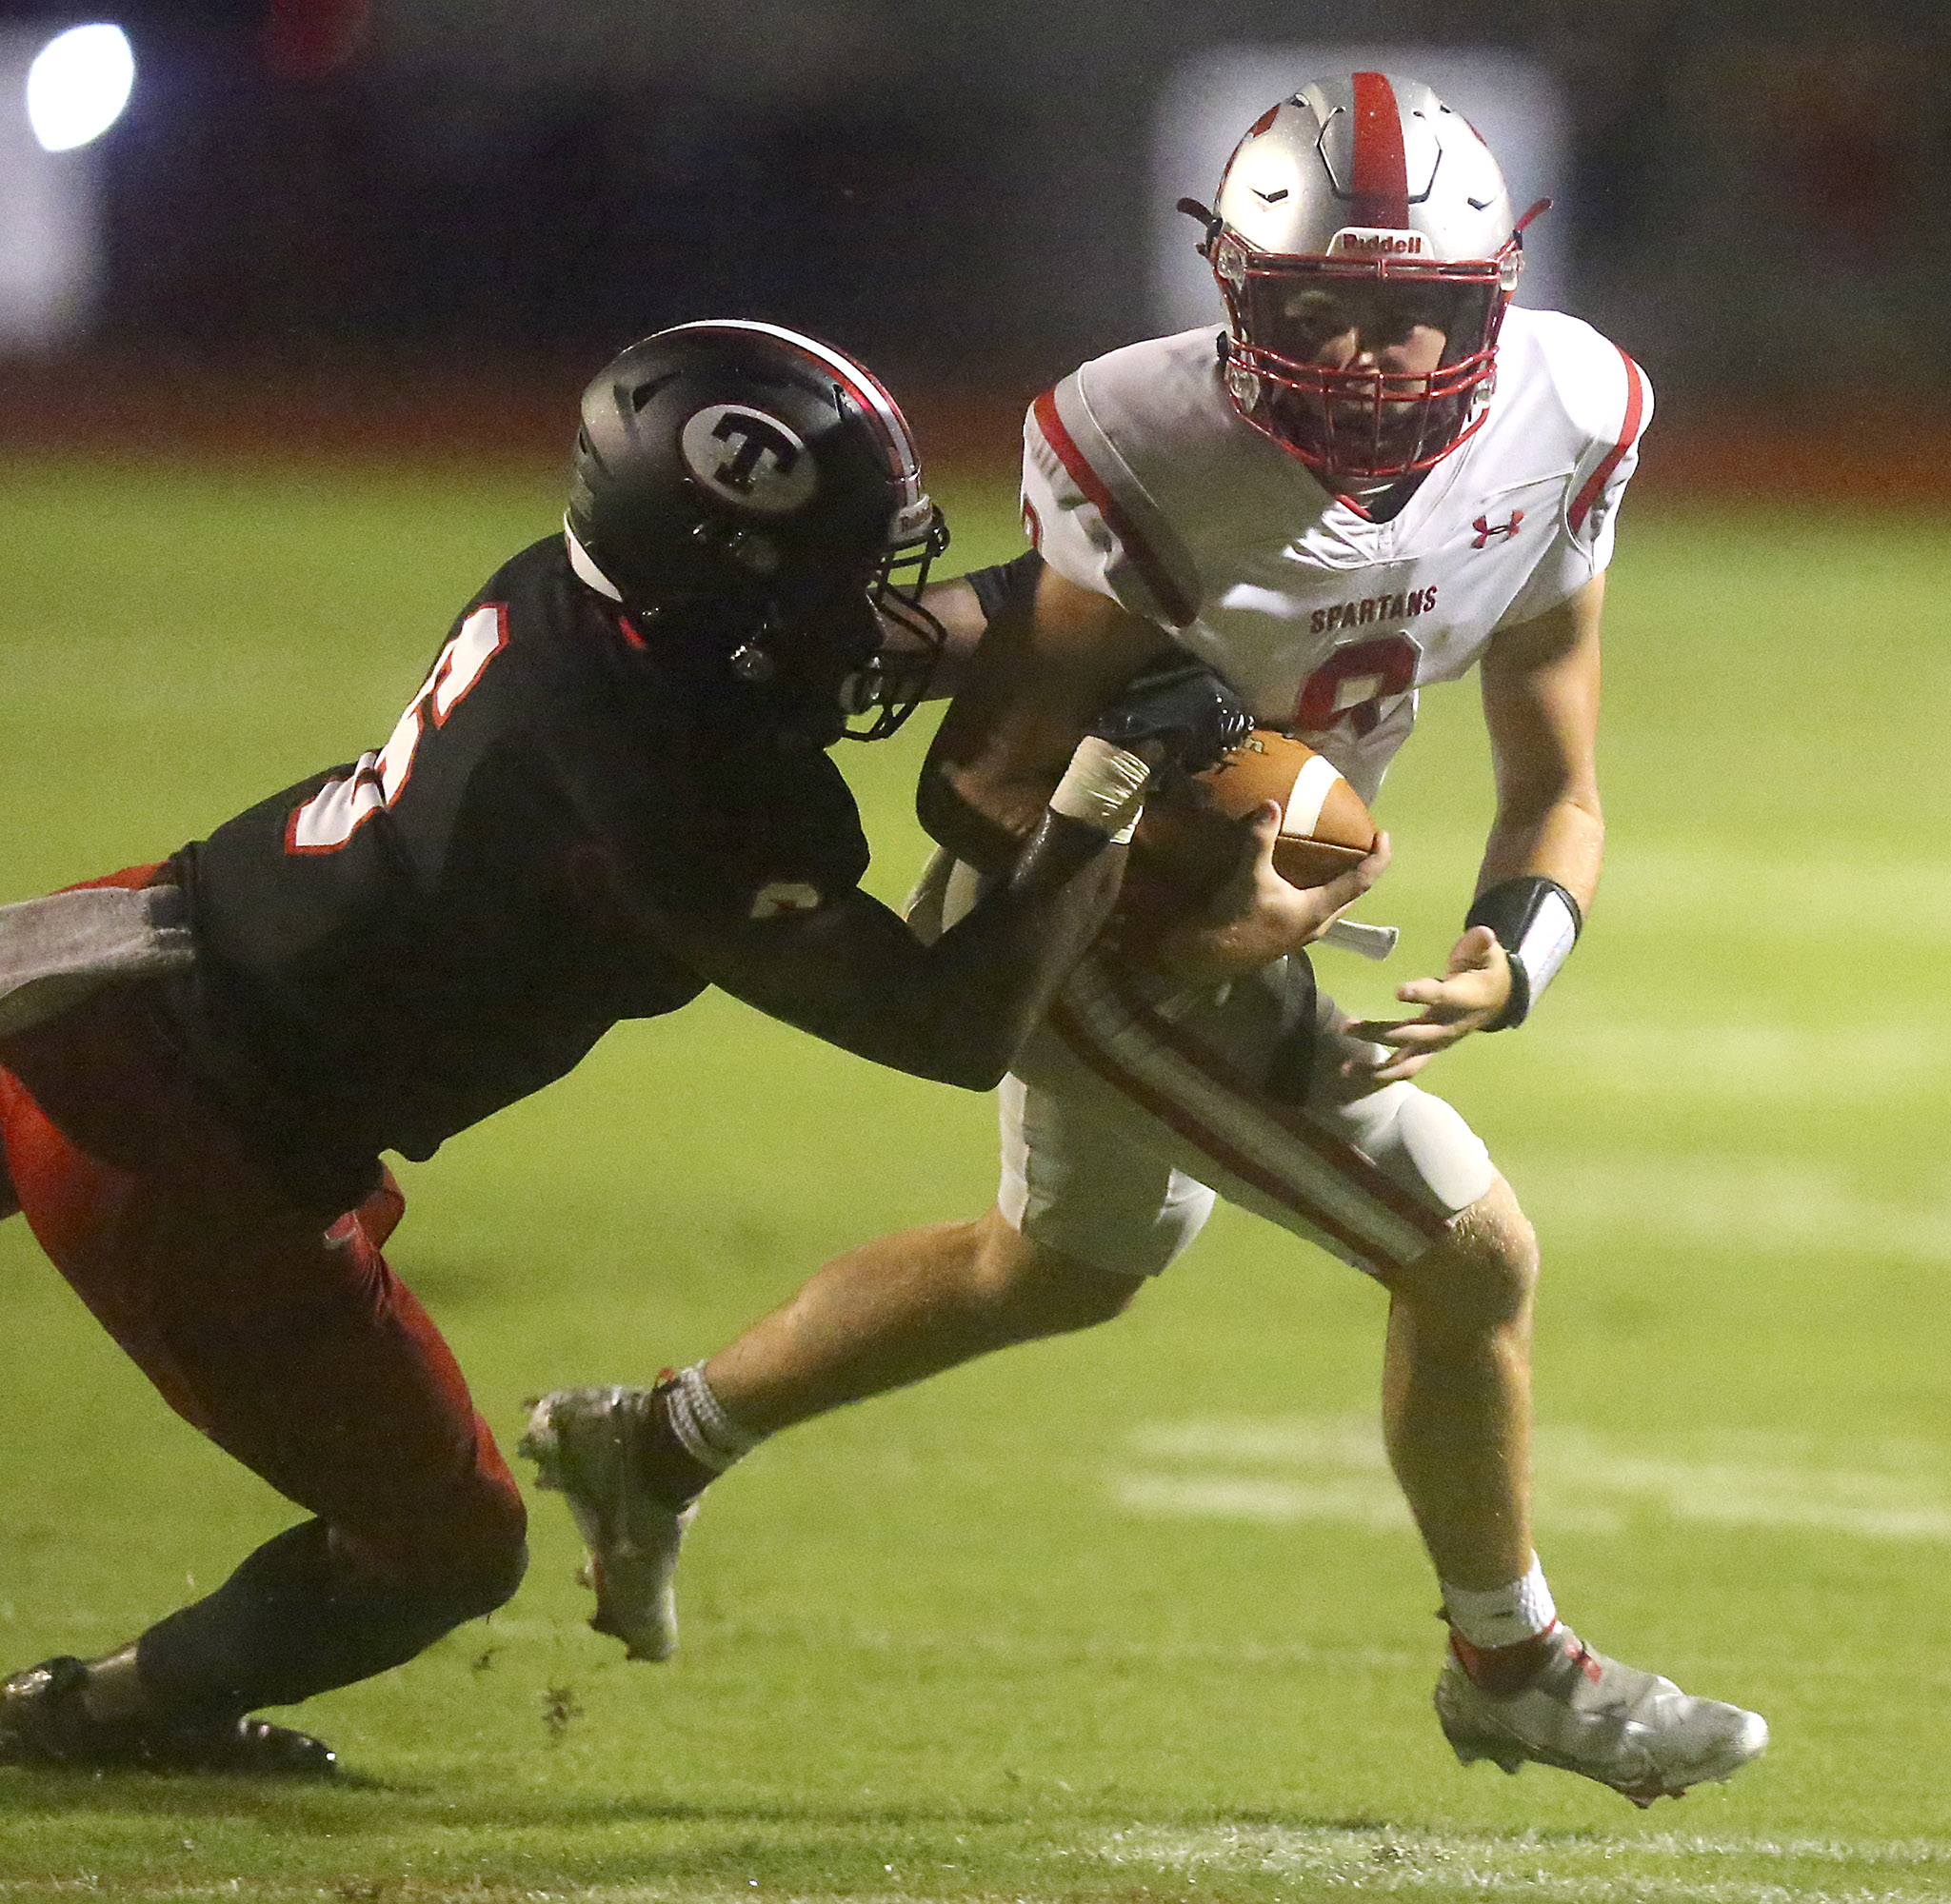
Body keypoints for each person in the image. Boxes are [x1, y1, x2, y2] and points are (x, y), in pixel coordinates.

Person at [524, 75, 1767, 1808]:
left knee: (1055, 1271)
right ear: (1233, 293)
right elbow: (986, 789)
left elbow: (1559, 775)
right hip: (1095, 916)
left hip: (1250, 903)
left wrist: (1512, 955)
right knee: (1468, 1252)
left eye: (1416, 316)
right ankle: (1516, 1667)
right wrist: (1232, 895)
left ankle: (649, 1444)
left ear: (1495, 297)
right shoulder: (1143, 433)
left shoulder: (1573, 406)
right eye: (1317, 309)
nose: (1370, 360)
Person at [0, 319, 1242, 1776]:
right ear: (730, 579)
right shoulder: (656, 785)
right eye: (846, 559)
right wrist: (1106, 787)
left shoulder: (606, 603)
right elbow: (950, 1025)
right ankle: (103, 1717)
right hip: (190, 1141)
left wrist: (1125, 618)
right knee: (443, 1545)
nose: (878, 593)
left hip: (120, 952)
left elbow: (845, 651)